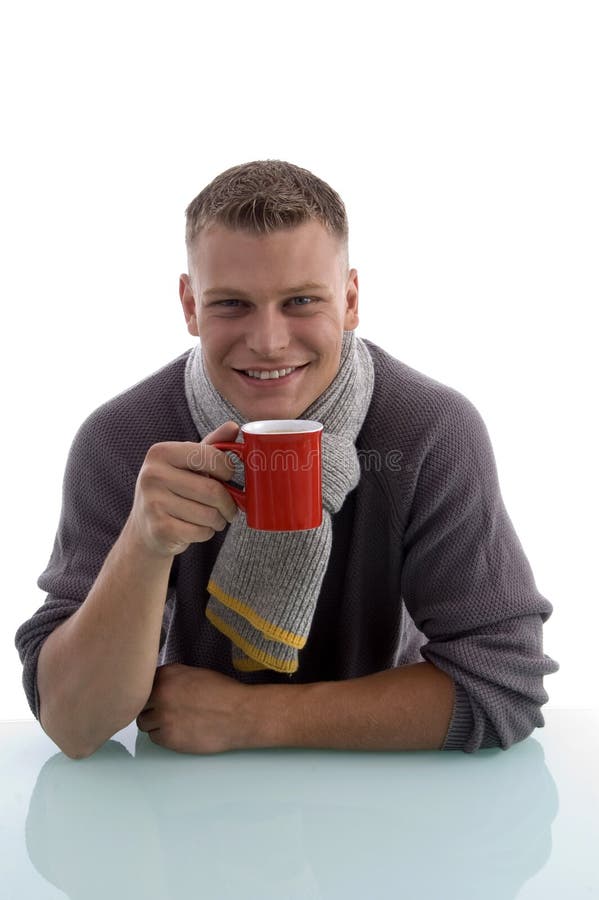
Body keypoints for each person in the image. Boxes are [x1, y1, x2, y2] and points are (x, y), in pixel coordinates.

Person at [15, 160, 558, 759]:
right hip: (185, 796)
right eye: (231, 304)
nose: (269, 342)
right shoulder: (120, 440)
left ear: (350, 300)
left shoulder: (431, 432)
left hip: (385, 793)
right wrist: (143, 545)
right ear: (190, 305)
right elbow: (71, 722)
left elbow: (504, 684)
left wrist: (253, 718)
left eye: (301, 301)